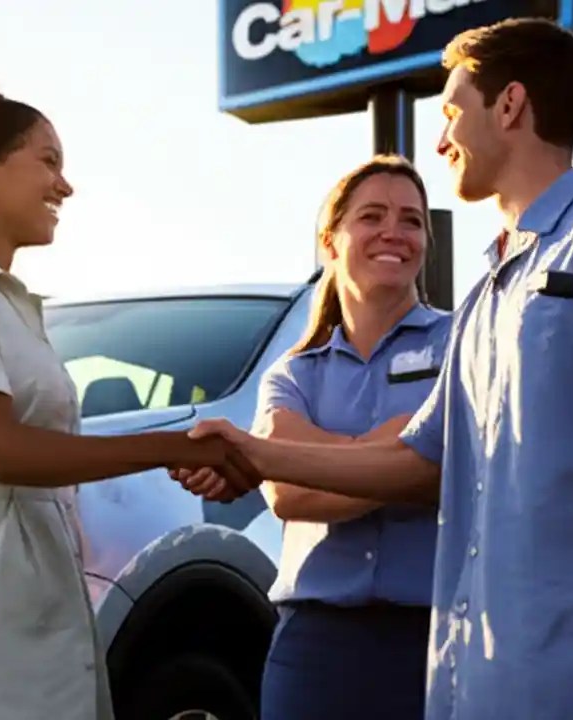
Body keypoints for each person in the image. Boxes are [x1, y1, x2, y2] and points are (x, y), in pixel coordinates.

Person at [184, 18, 573, 720]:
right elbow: (415, 463)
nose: (440, 139)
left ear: (509, 107)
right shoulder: (482, 298)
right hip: (481, 683)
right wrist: (250, 451)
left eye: (450, 111)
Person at [0, 71, 260, 720]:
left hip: (41, 576)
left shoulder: (14, 305)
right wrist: (172, 446)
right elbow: (5, 451)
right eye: (47, 161)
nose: (64, 184)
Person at [182, 155, 450, 719]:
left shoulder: (463, 343)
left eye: (411, 220)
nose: (394, 233)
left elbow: (440, 469)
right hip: (317, 648)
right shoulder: (291, 374)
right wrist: (399, 454)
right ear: (329, 242)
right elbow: (286, 493)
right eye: (372, 216)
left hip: (439, 637)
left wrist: (309, 454)